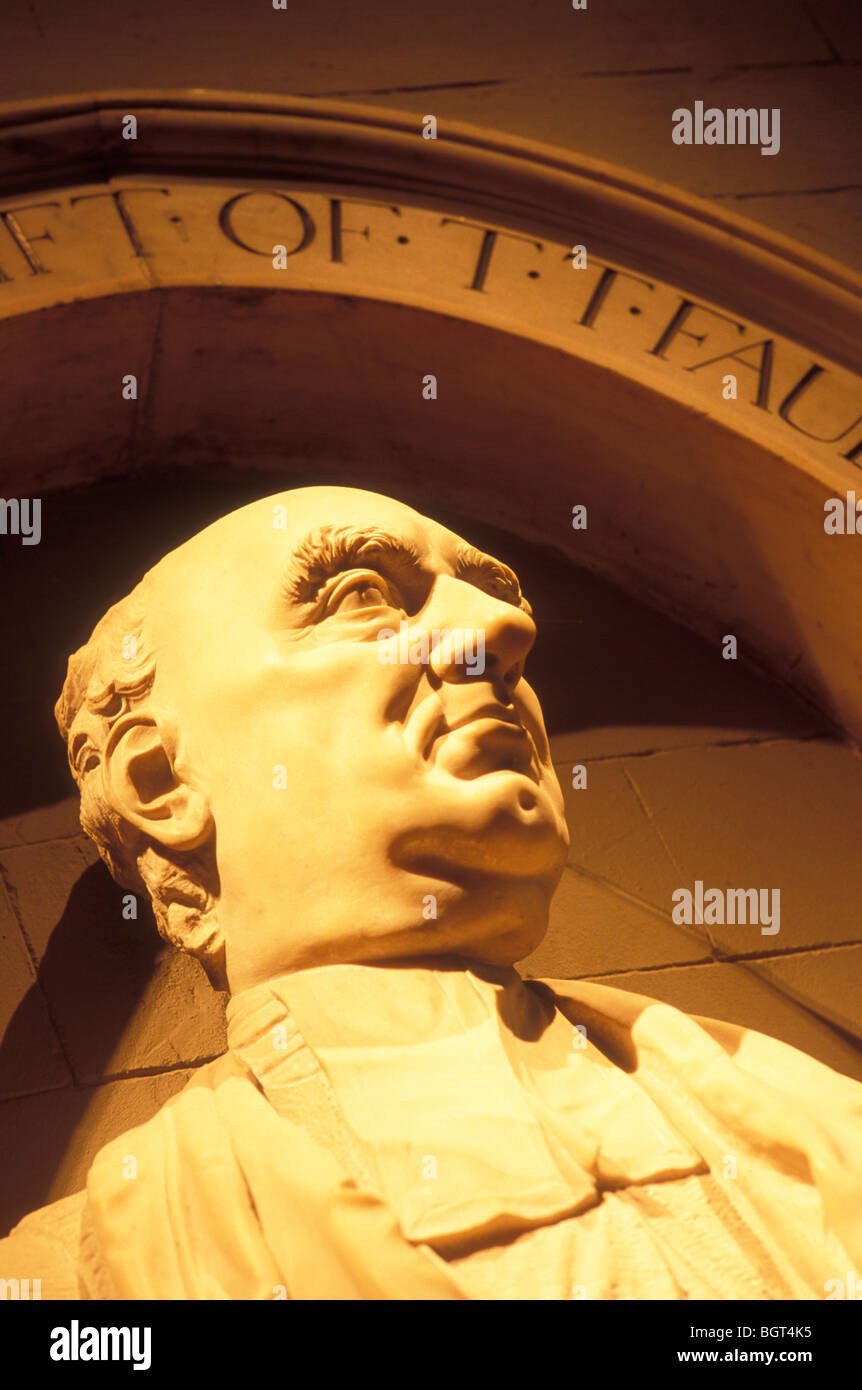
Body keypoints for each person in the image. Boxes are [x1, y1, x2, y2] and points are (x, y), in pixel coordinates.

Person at [2, 486, 860, 1299]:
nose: (505, 625)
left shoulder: (808, 1128)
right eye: (361, 593)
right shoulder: (72, 1281)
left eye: (493, 592)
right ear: (159, 781)